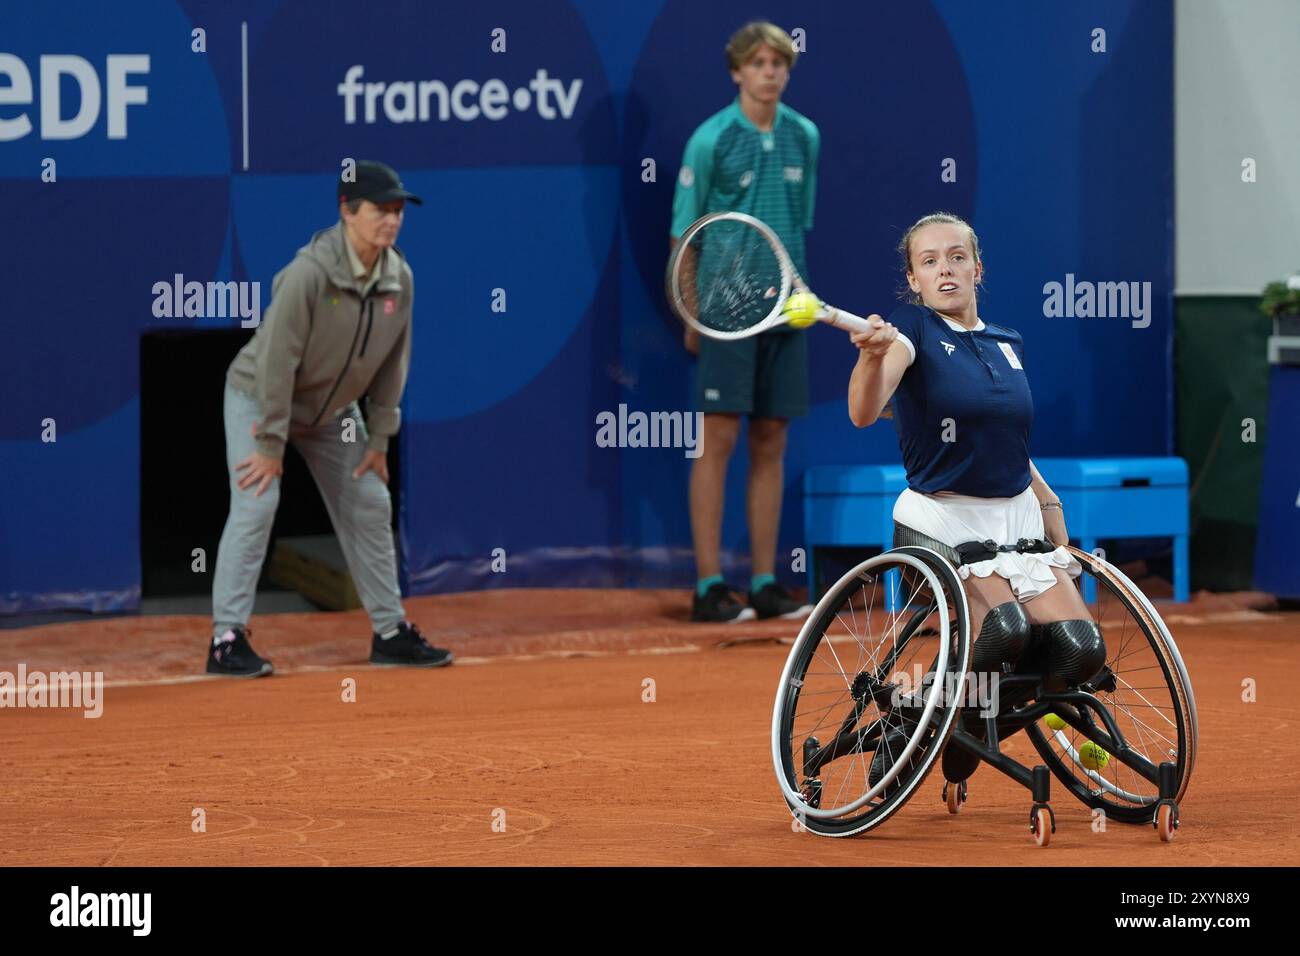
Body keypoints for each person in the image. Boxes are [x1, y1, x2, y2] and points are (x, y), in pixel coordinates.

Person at [847, 212, 1106, 787]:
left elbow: (1005, 440)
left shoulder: (1006, 342)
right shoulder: (909, 331)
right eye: (930, 261)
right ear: (913, 279)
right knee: (1005, 631)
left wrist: (1047, 499)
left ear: (977, 268)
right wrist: (870, 355)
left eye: (956, 256)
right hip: (940, 522)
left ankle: (960, 722)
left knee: (1080, 651)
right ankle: (919, 723)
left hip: (1015, 520)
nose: (945, 269)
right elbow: (863, 412)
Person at [207, 161, 453, 676]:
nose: (391, 220)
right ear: (347, 211)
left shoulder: (399, 279)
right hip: (259, 398)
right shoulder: (308, 275)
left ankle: (390, 632)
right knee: (257, 501)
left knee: (369, 499)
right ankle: (227, 639)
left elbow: (392, 365)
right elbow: (277, 361)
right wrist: (271, 444)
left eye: (398, 210)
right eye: (380, 210)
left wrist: (379, 440)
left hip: (332, 414)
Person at [670, 21, 819, 623]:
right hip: (725, 311)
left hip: (787, 305)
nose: (769, 72)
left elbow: (797, 224)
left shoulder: (804, 136)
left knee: (771, 441)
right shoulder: (710, 140)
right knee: (719, 439)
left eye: (778, 63)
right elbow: (685, 233)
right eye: (757, 63)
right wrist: (693, 309)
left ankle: (762, 582)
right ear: (737, 71)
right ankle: (708, 586)